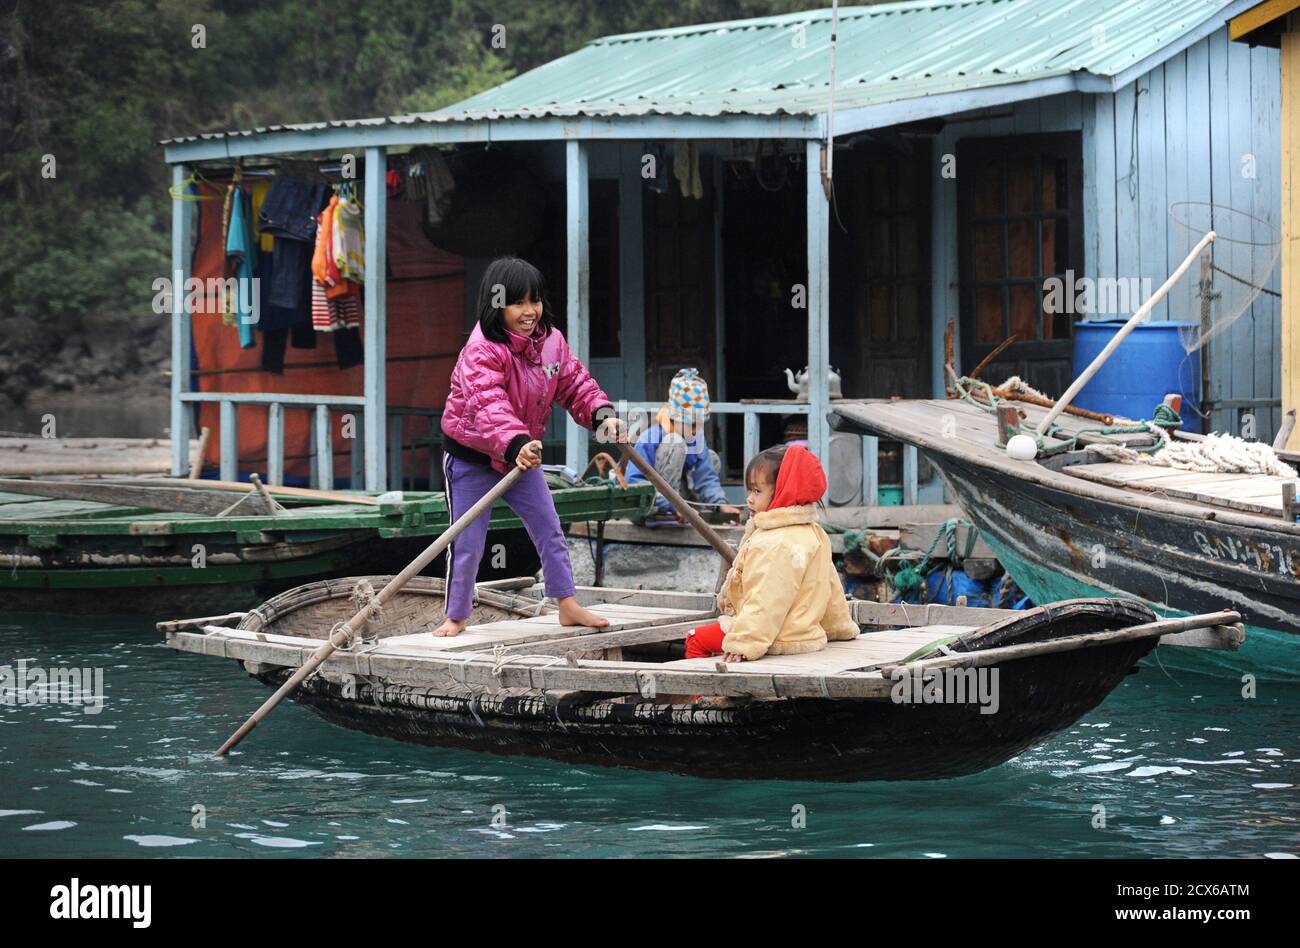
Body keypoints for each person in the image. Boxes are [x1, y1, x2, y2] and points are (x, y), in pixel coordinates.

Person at [435, 256, 626, 637]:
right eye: (517, 302)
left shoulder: (552, 343)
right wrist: (516, 442)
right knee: (469, 542)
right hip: (473, 457)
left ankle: (567, 605)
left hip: (521, 457)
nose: (529, 311)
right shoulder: (481, 349)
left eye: (534, 301)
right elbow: (488, 406)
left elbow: (575, 385)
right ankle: (456, 616)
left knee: (549, 527)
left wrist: (602, 415)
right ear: (496, 305)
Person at [684, 443, 858, 662]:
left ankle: (700, 697)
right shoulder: (813, 532)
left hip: (775, 637)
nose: (749, 498)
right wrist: (839, 628)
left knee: (695, 639)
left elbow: (765, 599)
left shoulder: (774, 541)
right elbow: (829, 587)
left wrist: (745, 642)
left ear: (785, 492)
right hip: (802, 634)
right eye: (750, 490)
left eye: (757, 491)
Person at [626, 367, 741, 523]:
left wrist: (720, 504)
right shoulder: (649, 436)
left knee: (711, 458)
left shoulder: (696, 435)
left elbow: (705, 477)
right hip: (643, 508)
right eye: (691, 424)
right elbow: (633, 485)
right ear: (674, 417)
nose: (696, 430)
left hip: (680, 503)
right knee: (676, 443)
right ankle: (671, 513)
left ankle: (690, 513)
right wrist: (673, 506)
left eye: (699, 425)